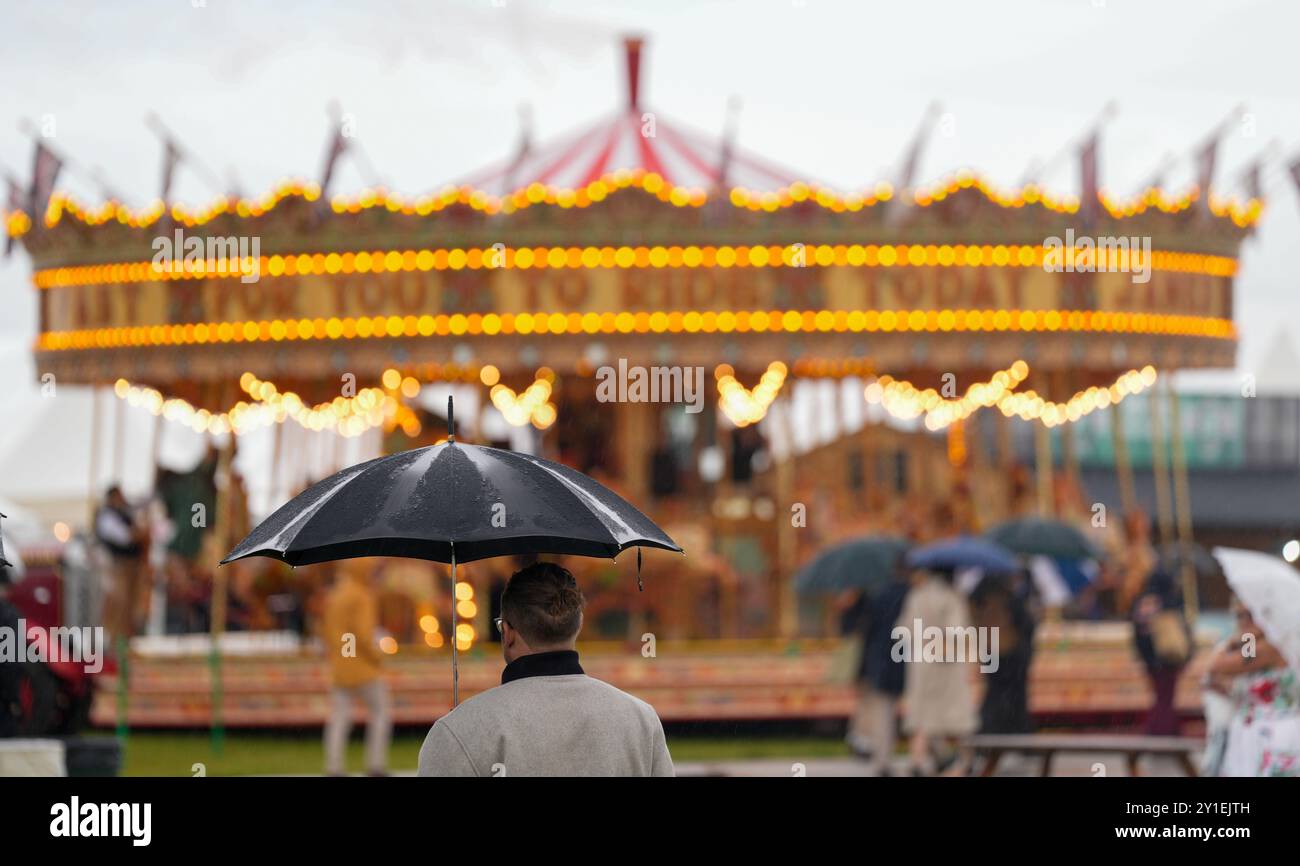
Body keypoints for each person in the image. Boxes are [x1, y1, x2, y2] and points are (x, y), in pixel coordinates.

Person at [418, 561, 673, 777]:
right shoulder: (640, 720)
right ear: (578, 624)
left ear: (506, 633)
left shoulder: (461, 729)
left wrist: (457, 732)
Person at [1204, 598, 1300, 776]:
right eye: (1239, 616)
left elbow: (1218, 664)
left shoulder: (1272, 645)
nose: (1245, 621)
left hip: (1273, 731)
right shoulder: (1256, 644)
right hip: (1252, 731)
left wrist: (1239, 639)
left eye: (1251, 615)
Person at [896, 569, 977, 775]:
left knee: (922, 716)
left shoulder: (916, 596)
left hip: (921, 664)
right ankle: (966, 761)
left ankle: (917, 762)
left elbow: (904, 629)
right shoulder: (951, 597)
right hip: (947, 665)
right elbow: (957, 631)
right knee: (957, 717)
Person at [321, 560, 392, 776]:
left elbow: (332, 633)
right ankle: (375, 764)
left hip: (341, 664)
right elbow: (362, 634)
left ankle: (334, 766)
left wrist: (342, 655)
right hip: (363, 667)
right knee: (381, 713)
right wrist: (377, 657)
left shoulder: (336, 595)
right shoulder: (362, 596)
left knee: (340, 717)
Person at [845, 574, 909, 775]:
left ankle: (882, 759)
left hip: (879, 660)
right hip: (907, 658)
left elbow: (855, 627)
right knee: (920, 709)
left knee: (883, 711)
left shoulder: (874, 597)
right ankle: (928, 752)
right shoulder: (911, 595)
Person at [1130, 569, 1192, 736]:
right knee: (1166, 698)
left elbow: (1138, 631)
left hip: (1152, 659)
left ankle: (1161, 728)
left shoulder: (1145, 602)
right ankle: (1163, 730)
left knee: (1162, 697)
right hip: (1170, 657)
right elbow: (1185, 632)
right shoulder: (1170, 602)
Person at [94, 486, 148, 643]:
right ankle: (114, 640)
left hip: (129, 565)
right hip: (117, 566)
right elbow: (125, 537)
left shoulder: (123, 513)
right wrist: (139, 533)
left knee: (129, 605)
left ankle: (125, 639)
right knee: (119, 602)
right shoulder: (107, 516)